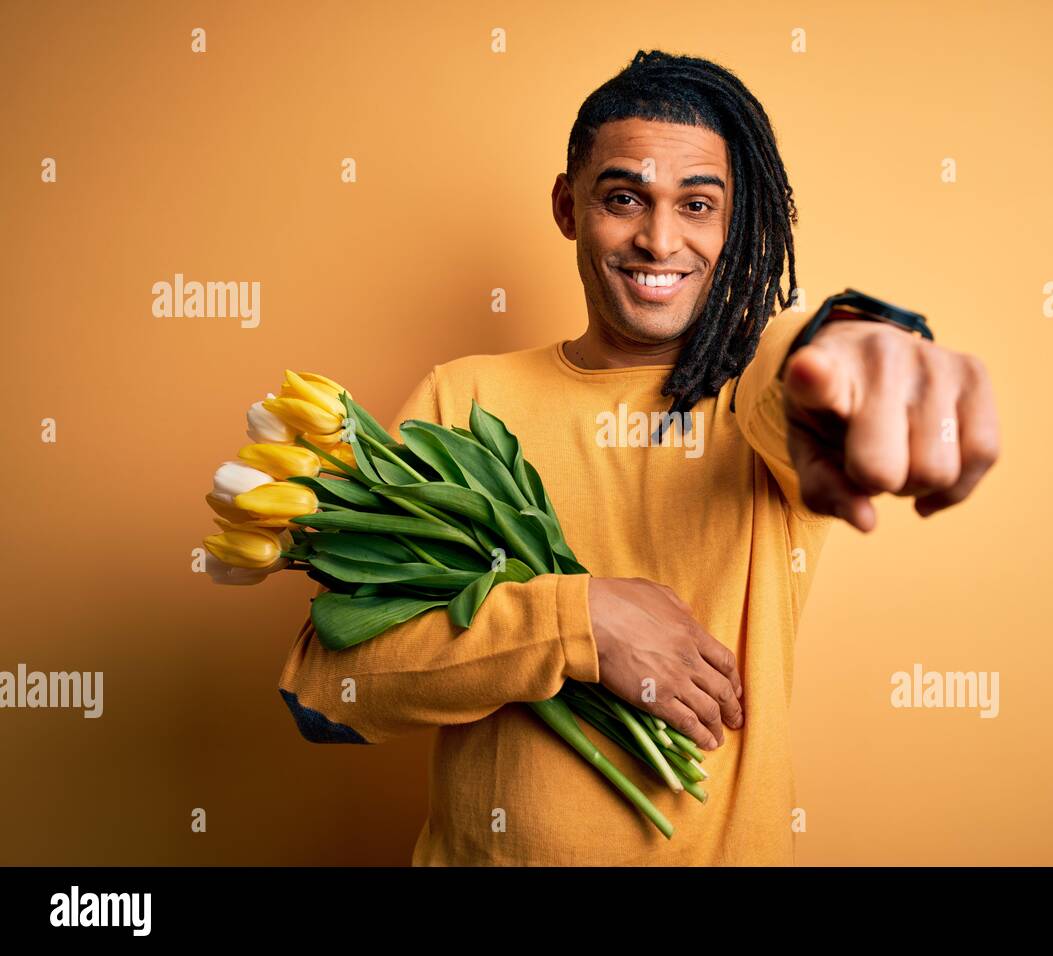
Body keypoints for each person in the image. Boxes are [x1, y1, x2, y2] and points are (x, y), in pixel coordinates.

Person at [278, 49, 999, 865]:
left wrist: (863, 339)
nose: (661, 241)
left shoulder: (751, 398)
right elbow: (329, 690)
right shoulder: (461, 399)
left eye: (698, 204)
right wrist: (578, 621)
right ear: (567, 206)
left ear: (736, 224)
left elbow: (803, 367)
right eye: (625, 199)